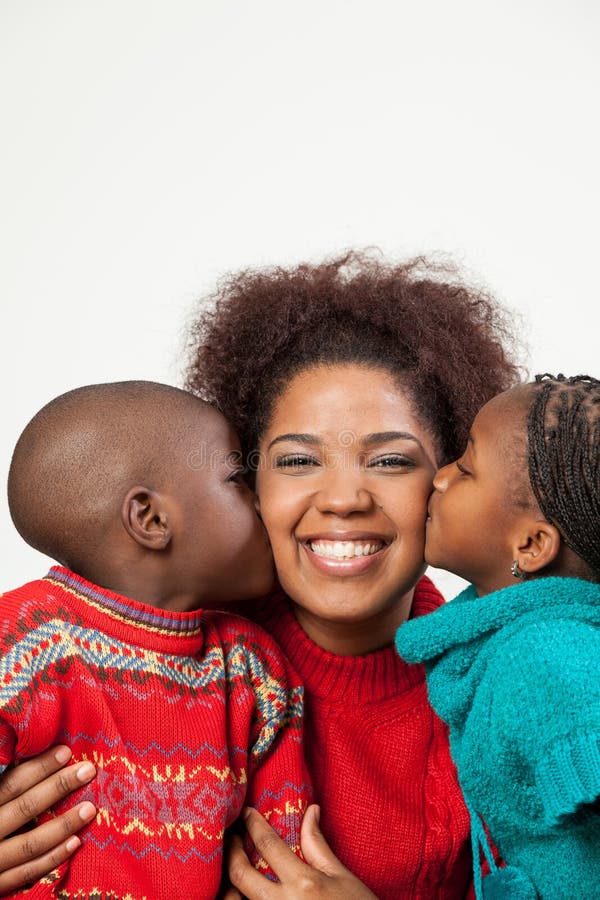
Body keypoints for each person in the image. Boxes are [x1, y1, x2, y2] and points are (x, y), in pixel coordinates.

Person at [0, 253, 520, 898]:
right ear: (251, 486)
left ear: (447, 479)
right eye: (298, 460)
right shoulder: (131, 643)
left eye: (389, 461)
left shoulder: (504, 690)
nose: (343, 498)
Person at [0, 381, 311, 899]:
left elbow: (283, 849)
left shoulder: (254, 669)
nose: (265, 500)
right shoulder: (25, 639)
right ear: (151, 519)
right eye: (238, 477)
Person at [395, 374, 600, 899]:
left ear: (531, 544)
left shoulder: (549, 655)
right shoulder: (515, 636)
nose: (438, 479)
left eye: (466, 469)